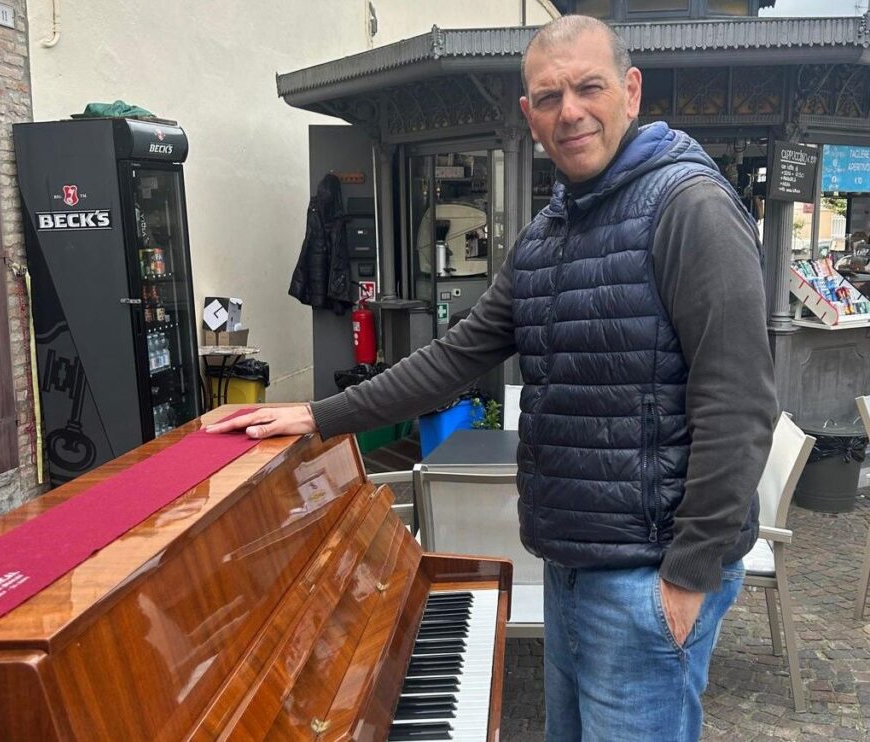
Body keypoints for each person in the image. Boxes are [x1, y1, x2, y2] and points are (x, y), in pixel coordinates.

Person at [208, 15, 776, 741]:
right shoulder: (550, 234)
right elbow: (453, 356)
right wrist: (319, 417)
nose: (569, 111)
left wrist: (690, 572)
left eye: (588, 87)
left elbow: (739, 403)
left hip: (647, 573)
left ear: (631, 92)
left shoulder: (690, 207)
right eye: (548, 96)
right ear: (528, 116)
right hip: (572, 562)